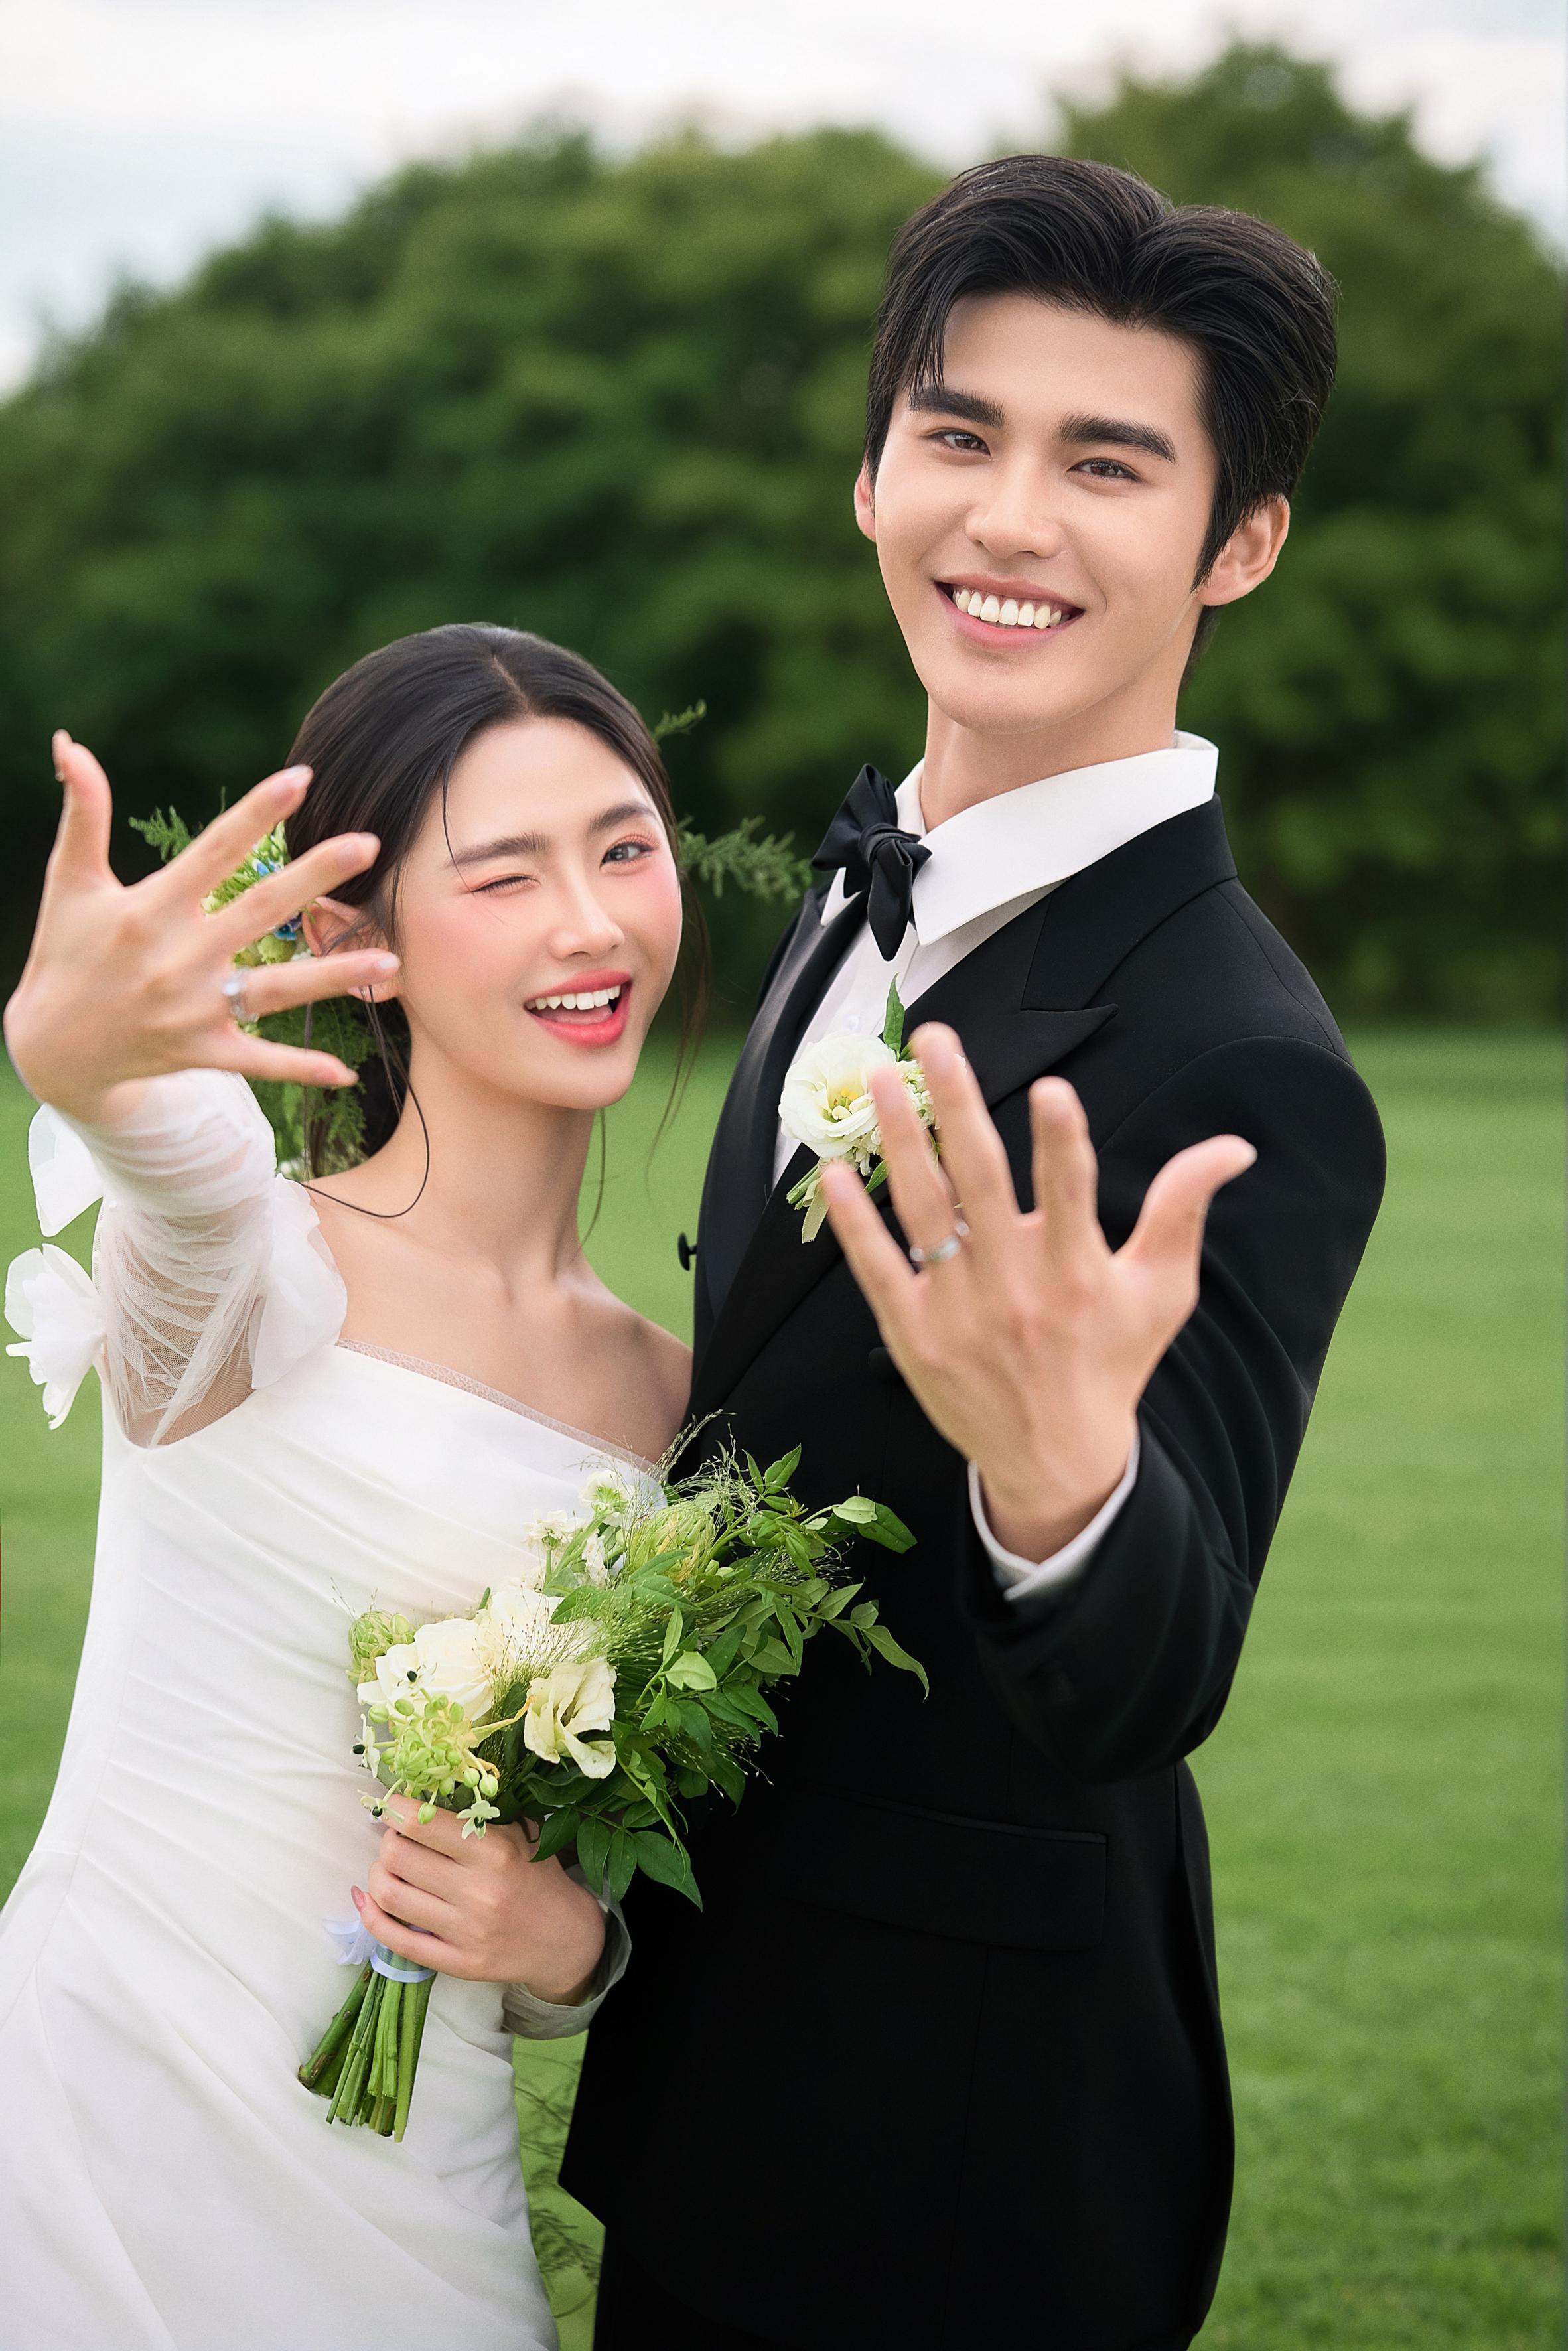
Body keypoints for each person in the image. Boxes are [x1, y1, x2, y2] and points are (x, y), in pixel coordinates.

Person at [565, 155, 1386, 2350]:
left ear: (1239, 543)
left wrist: (1059, 1473)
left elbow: (1152, 1673)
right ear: (869, 480)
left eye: (1105, 465)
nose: (1008, 520)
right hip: (719, 2065)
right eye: (960, 435)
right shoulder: (864, 885)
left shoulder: (1240, 1055)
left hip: (964, 2134)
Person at [0, 625, 693, 2351]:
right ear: (347, 945)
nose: (590, 923)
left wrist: (572, 1951)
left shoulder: (676, 1400)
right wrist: (81, 1056)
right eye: (505, 876)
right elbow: (170, 1167)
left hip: (419, 2179)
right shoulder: (250, 1265)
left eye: (622, 848)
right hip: (106, 2125)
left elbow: (600, 1857)